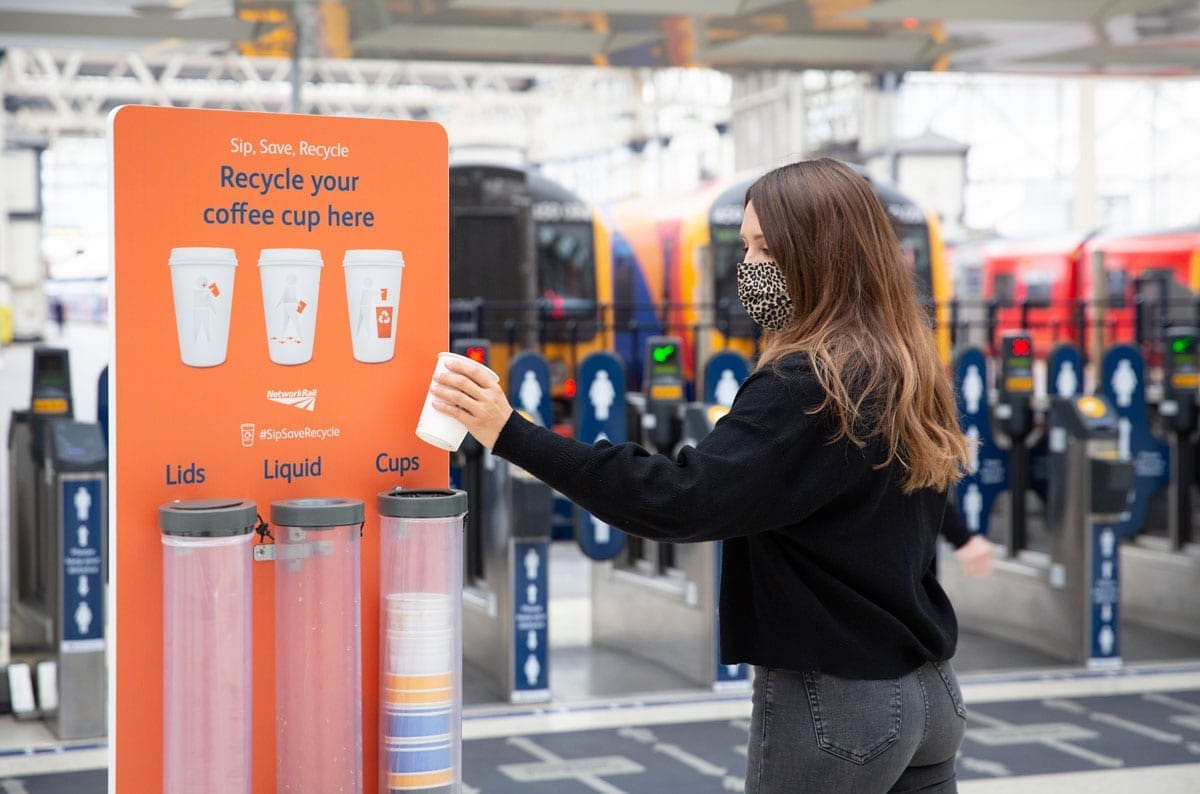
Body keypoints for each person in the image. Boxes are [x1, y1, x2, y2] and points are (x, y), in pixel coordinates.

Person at [432, 158, 971, 793]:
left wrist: (511, 433)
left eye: (765, 248)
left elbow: (680, 500)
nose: (748, 265)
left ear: (819, 257)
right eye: (745, 246)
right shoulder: (906, 365)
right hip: (929, 693)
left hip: (839, 707)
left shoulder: (807, 382)